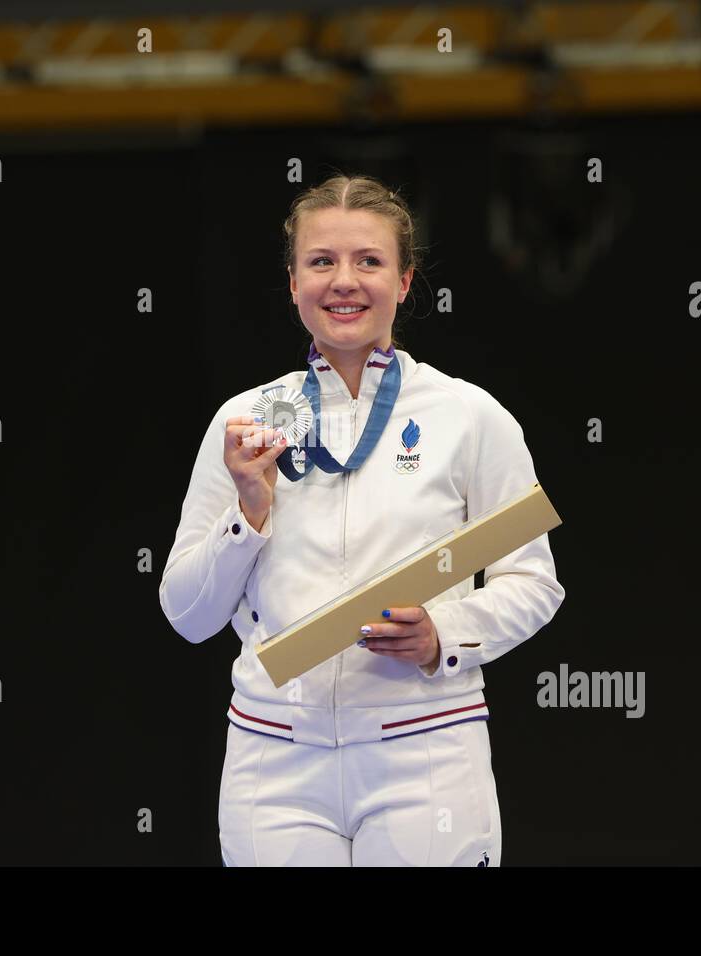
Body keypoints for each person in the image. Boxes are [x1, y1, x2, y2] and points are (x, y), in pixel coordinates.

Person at [159, 174, 565, 866]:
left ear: (405, 281)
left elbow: (534, 581)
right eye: (321, 262)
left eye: (368, 261)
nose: (343, 281)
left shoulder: (469, 416)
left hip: (426, 749)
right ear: (292, 283)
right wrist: (247, 515)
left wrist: (447, 633)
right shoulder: (243, 423)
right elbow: (187, 615)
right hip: (274, 757)